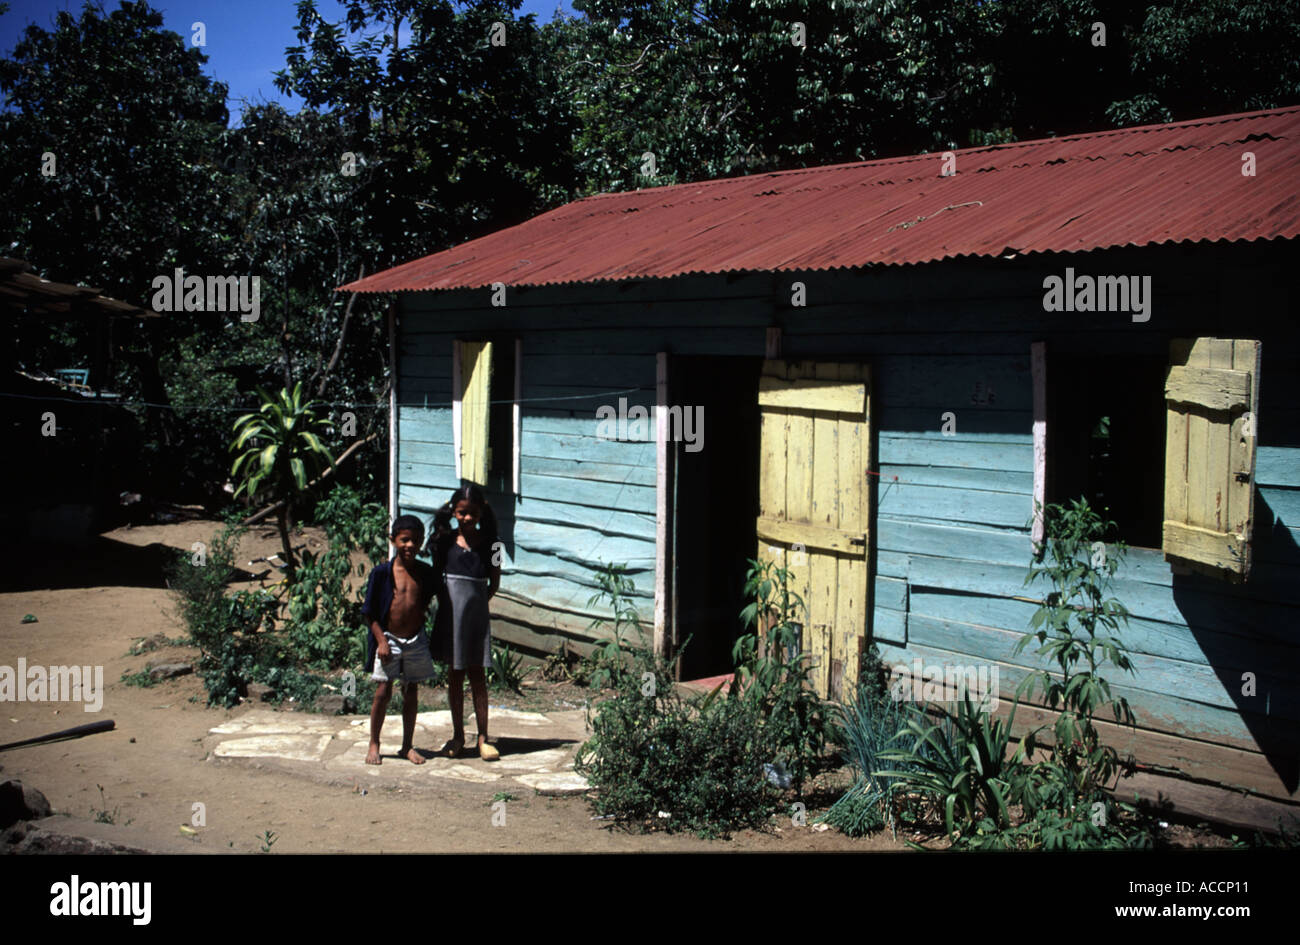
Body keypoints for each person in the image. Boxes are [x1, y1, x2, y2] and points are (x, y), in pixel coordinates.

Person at [426, 485, 502, 761]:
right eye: (462, 513)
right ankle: (458, 735)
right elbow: (436, 579)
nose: (467, 518)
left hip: (476, 619)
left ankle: (483, 737)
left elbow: (494, 583)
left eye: (472, 513)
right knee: (455, 675)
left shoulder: (494, 545)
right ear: (454, 512)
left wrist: (475, 606)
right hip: (450, 619)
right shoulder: (444, 543)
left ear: (481, 512)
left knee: (478, 676)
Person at [361, 514, 438, 765]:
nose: (410, 546)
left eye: (416, 541)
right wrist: (381, 641)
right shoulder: (382, 573)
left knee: (411, 691)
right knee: (383, 690)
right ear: (393, 540)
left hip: (415, 639)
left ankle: (407, 745)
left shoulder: (425, 573)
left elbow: (436, 597)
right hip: (389, 639)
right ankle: (374, 743)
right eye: (405, 540)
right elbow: (369, 613)